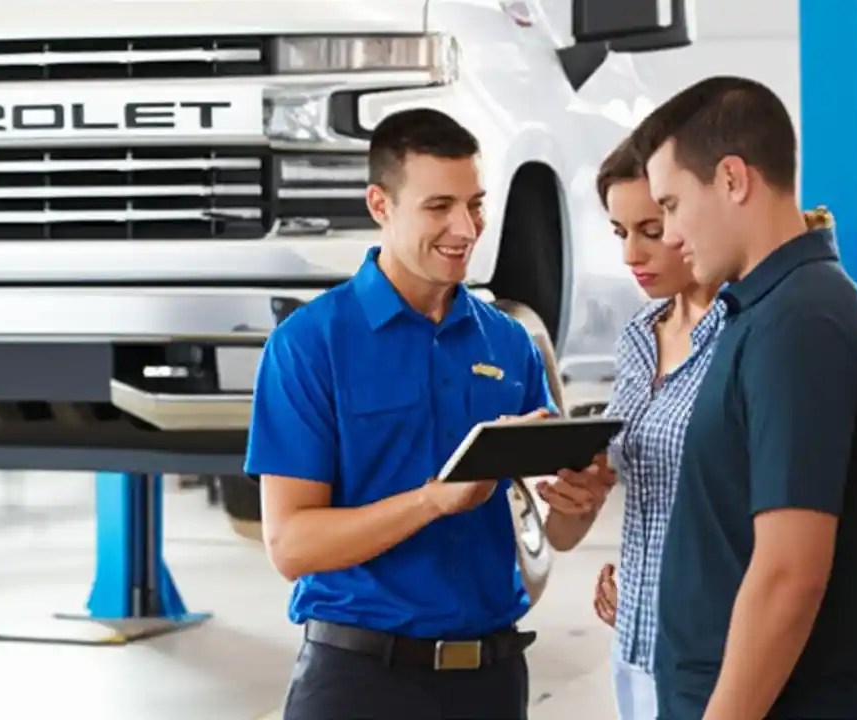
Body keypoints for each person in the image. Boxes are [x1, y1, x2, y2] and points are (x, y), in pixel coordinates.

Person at [242, 107, 616, 719]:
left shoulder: (509, 343)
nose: (465, 229)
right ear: (380, 205)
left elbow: (556, 533)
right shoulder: (310, 344)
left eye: (476, 205)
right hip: (358, 682)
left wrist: (581, 501)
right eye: (439, 206)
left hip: (492, 681)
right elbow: (291, 546)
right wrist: (433, 501)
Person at [627, 74, 857, 720]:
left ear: (732, 179)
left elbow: (790, 573)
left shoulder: (800, 323)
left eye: (672, 205)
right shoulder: (766, 312)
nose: (669, 234)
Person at [539, 136, 727, 720]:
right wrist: (578, 496)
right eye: (620, 232)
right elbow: (570, 532)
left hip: (720, 655)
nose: (630, 255)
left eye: (651, 229)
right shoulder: (638, 337)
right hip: (636, 648)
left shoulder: (747, 335)